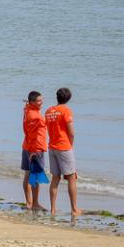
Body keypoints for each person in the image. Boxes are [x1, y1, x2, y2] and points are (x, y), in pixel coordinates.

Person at [45, 87, 81, 216]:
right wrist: (70, 146)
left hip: (52, 147)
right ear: (68, 98)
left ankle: (53, 209)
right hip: (64, 147)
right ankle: (74, 209)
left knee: (55, 177)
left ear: (57, 97)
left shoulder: (48, 111)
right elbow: (71, 133)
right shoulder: (66, 110)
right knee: (71, 177)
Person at [20, 90, 50, 211]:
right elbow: (32, 135)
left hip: (28, 146)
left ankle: (29, 203)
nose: (41, 102)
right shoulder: (35, 116)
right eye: (39, 101)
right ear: (32, 102)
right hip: (35, 148)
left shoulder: (28, 110)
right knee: (34, 176)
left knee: (28, 174)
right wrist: (33, 152)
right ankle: (34, 203)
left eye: (42, 100)